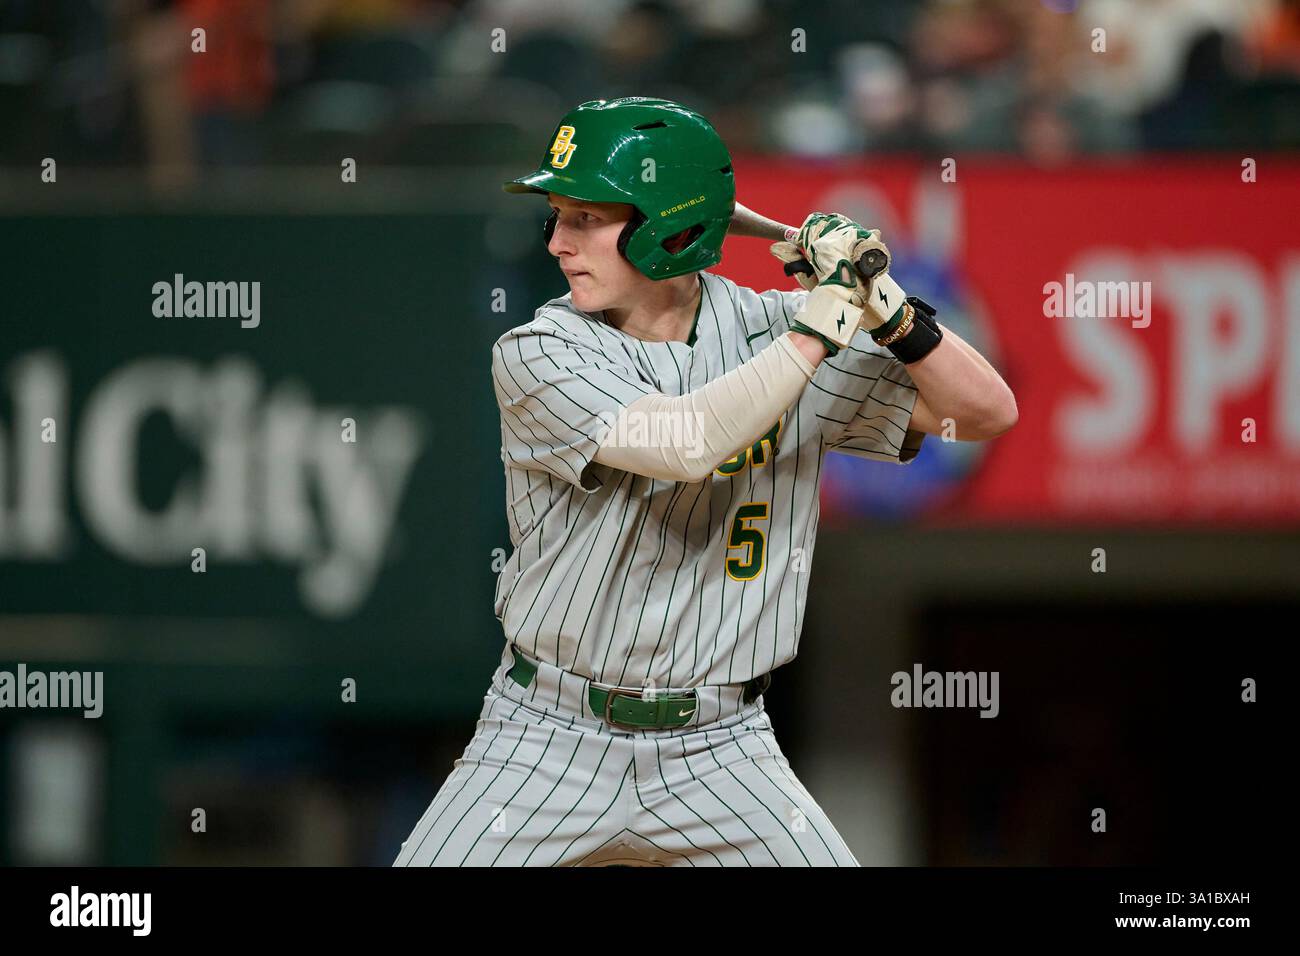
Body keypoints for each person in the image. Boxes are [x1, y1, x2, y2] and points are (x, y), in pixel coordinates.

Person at [394, 96, 1016, 866]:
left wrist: (882, 303)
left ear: (667, 227)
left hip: (721, 749)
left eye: (586, 218)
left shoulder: (775, 328)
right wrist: (819, 326)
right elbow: (686, 442)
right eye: (558, 215)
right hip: (543, 735)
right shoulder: (538, 351)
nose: (557, 242)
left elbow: (987, 411)